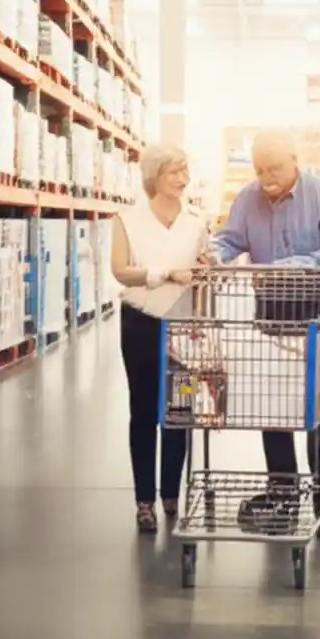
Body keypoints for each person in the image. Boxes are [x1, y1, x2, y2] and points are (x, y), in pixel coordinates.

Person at [211, 129, 320, 540]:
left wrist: (302, 264)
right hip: (271, 311)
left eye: (274, 167)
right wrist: (214, 253)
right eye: (260, 169)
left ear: (295, 159)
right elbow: (229, 238)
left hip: (317, 312)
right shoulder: (247, 200)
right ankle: (284, 497)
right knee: (272, 406)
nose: (267, 177)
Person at [111, 143, 206, 534]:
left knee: (181, 412)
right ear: (154, 177)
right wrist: (165, 273)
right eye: (173, 172)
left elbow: (202, 276)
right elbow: (120, 270)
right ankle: (144, 500)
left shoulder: (197, 222)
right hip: (141, 323)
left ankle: (172, 494)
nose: (182, 179)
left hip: (185, 327)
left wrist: (203, 316)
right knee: (144, 410)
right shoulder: (127, 219)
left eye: (185, 171)